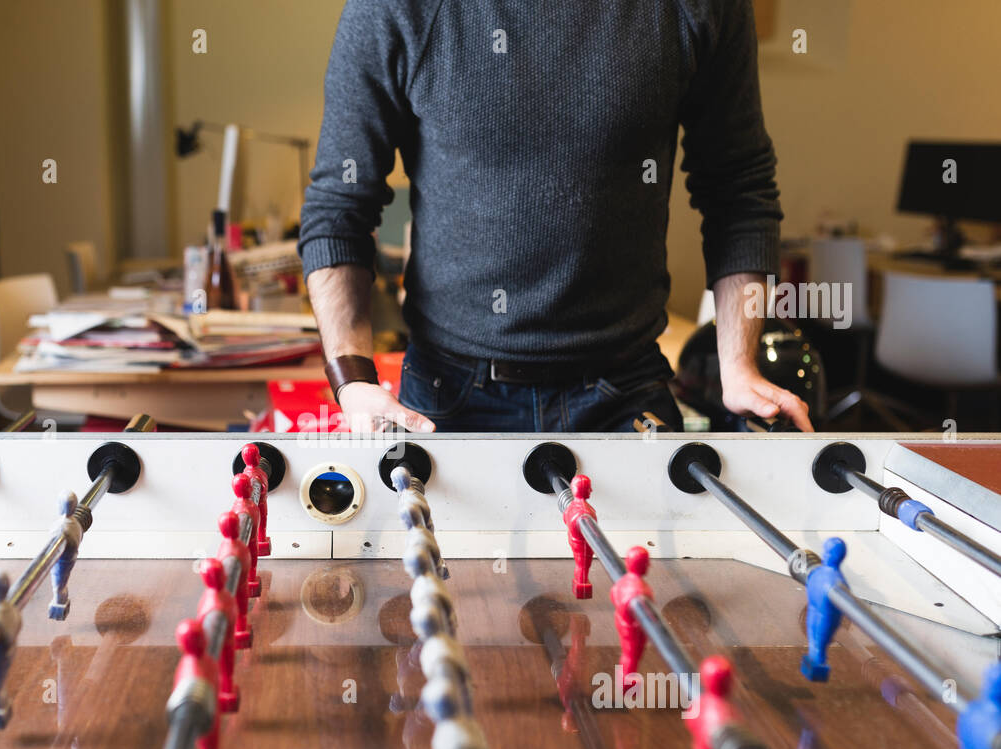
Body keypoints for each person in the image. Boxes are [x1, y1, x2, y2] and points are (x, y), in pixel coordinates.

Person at [300, 0, 812, 433]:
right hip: (447, 399)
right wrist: (353, 381)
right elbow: (340, 206)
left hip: (625, 396)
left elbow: (737, 187)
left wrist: (738, 366)